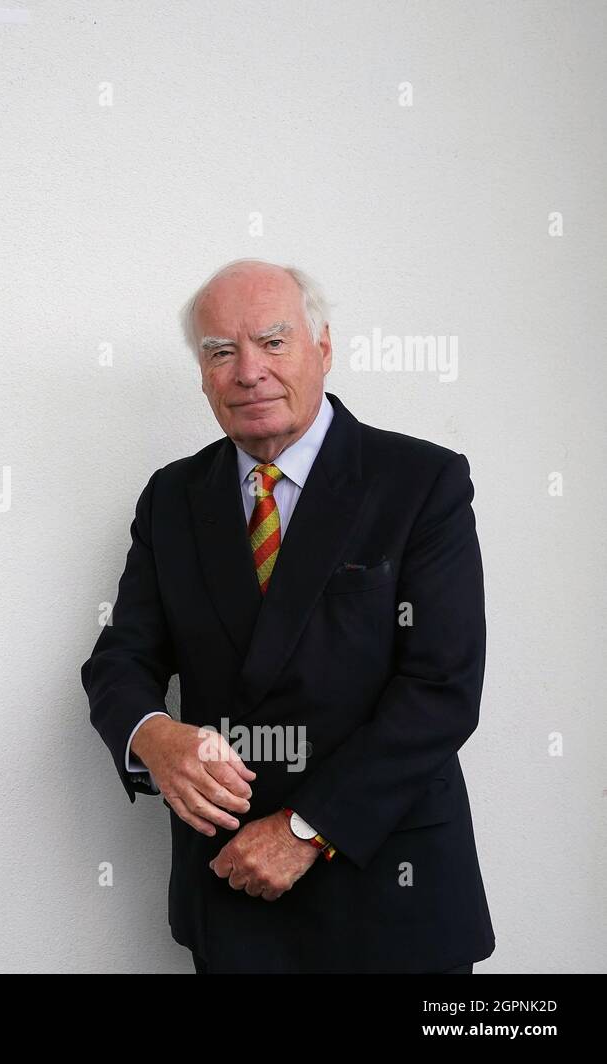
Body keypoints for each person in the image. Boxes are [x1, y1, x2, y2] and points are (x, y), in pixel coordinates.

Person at [80, 259, 494, 973]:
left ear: (322, 348)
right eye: (220, 351)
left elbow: (441, 689)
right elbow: (123, 658)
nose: (248, 372)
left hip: (387, 888)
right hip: (234, 887)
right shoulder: (173, 497)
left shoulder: (421, 483)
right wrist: (153, 736)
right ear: (203, 374)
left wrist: (307, 830)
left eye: (273, 343)